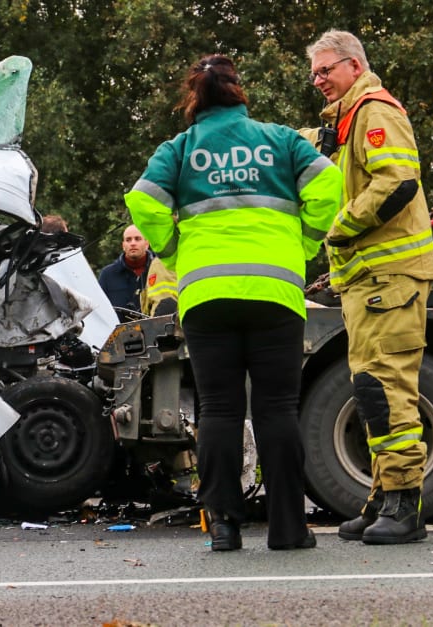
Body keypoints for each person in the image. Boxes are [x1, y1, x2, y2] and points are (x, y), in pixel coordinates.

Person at [125, 54, 341, 551]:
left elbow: (144, 201)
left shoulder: (181, 148)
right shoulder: (280, 140)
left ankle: (223, 525)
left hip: (206, 293)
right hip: (275, 290)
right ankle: (288, 528)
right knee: (277, 409)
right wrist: (305, 241)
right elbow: (329, 183)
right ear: (238, 91)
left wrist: (173, 251)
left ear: (194, 96)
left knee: (219, 409)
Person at [304, 30, 433, 545]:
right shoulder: (347, 121)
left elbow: (397, 182)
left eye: (325, 70)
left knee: (387, 388)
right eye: (314, 73)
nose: (318, 80)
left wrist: (339, 228)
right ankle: (385, 497)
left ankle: (405, 505)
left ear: (354, 66)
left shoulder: (374, 111)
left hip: (391, 277)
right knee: (372, 392)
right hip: (369, 280)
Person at [98, 225, 153, 314]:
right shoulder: (107, 275)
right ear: (123, 245)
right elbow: (100, 309)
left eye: (137, 239)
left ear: (147, 244)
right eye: (128, 240)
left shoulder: (159, 270)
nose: (133, 243)